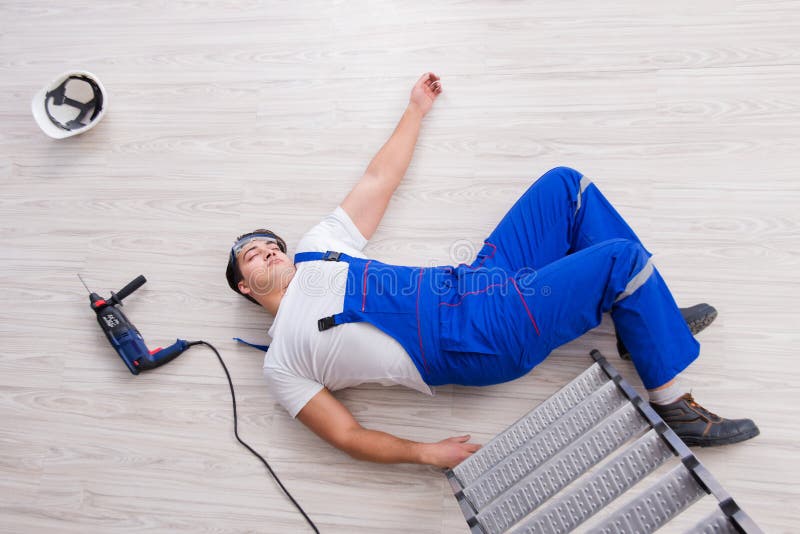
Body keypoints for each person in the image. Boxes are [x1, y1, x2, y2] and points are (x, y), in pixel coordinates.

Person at [225, 72, 759, 469]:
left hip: (473, 282)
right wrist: (426, 453)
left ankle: (646, 321)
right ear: (248, 288)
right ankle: (671, 404)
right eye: (254, 254)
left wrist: (415, 109)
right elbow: (344, 434)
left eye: (273, 243)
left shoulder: (319, 246)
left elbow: (377, 179)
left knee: (564, 186)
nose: (270, 250)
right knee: (621, 259)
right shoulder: (283, 363)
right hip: (476, 335)